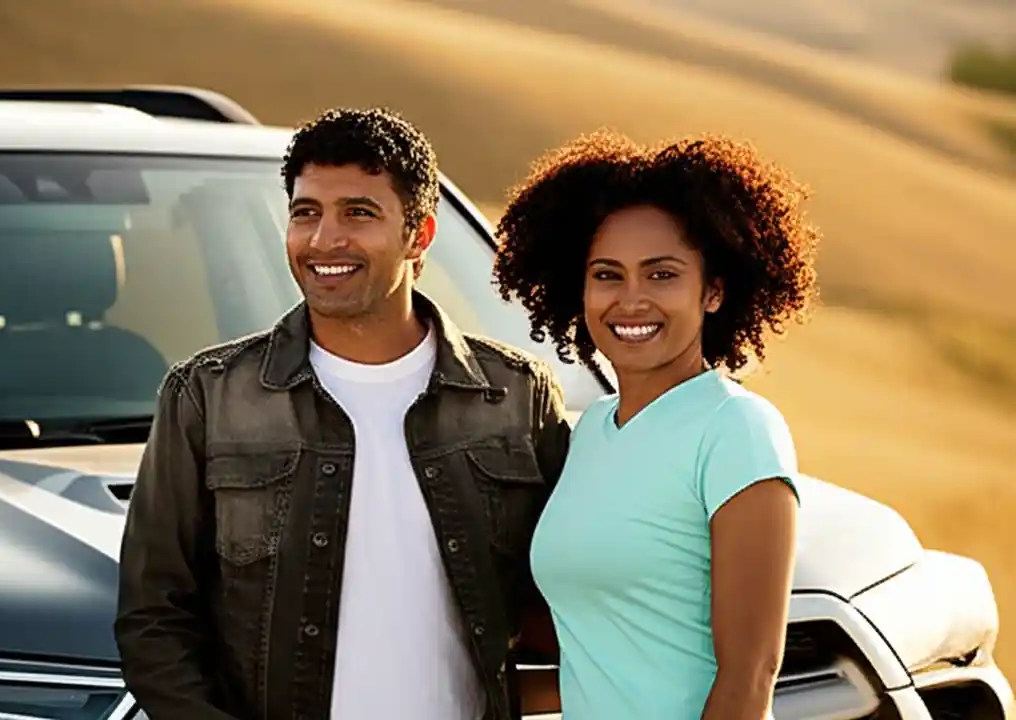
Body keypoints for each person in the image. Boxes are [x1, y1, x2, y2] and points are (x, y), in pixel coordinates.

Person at [115, 107, 570, 720]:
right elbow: (153, 620)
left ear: (420, 235)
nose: (325, 241)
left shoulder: (516, 399)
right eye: (307, 213)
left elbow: (589, 594)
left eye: (359, 212)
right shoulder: (207, 398)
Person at [491, 129, 820, 719]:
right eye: (608, 275)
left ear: (713, 290)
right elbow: (602, 661)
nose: (631, 300)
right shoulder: (590, 431)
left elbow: (749, 676)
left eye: (662, 274)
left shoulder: (736, 429)